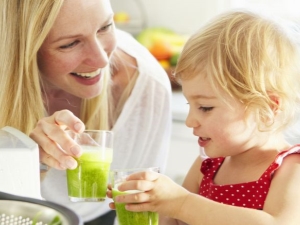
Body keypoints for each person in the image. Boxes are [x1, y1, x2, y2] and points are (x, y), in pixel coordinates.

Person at [108, 10, 300, 225]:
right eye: (191, 105)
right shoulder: (208, 163)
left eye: (206, 107)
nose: (191, 121)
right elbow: (174, 220)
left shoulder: (291, 168)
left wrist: (180, 203)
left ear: (267, 106)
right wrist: (150, 202)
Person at [0, 0, 172, 224]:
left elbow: (143, 206)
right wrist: (26, 160)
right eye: (70, 44)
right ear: (23, 49)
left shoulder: (146, 87)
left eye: (105, 27)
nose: (101, 60)